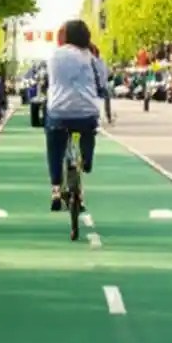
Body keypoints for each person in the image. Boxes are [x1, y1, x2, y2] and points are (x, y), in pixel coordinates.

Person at [45, 19, 105, 212]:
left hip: (59, 111)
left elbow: (50, 80)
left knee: (54, 145)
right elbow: (103, 83)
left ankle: (56, 189)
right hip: (86, 112)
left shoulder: (54, 55)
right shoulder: (91, 57)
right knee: (89, 130)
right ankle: (86, 161)